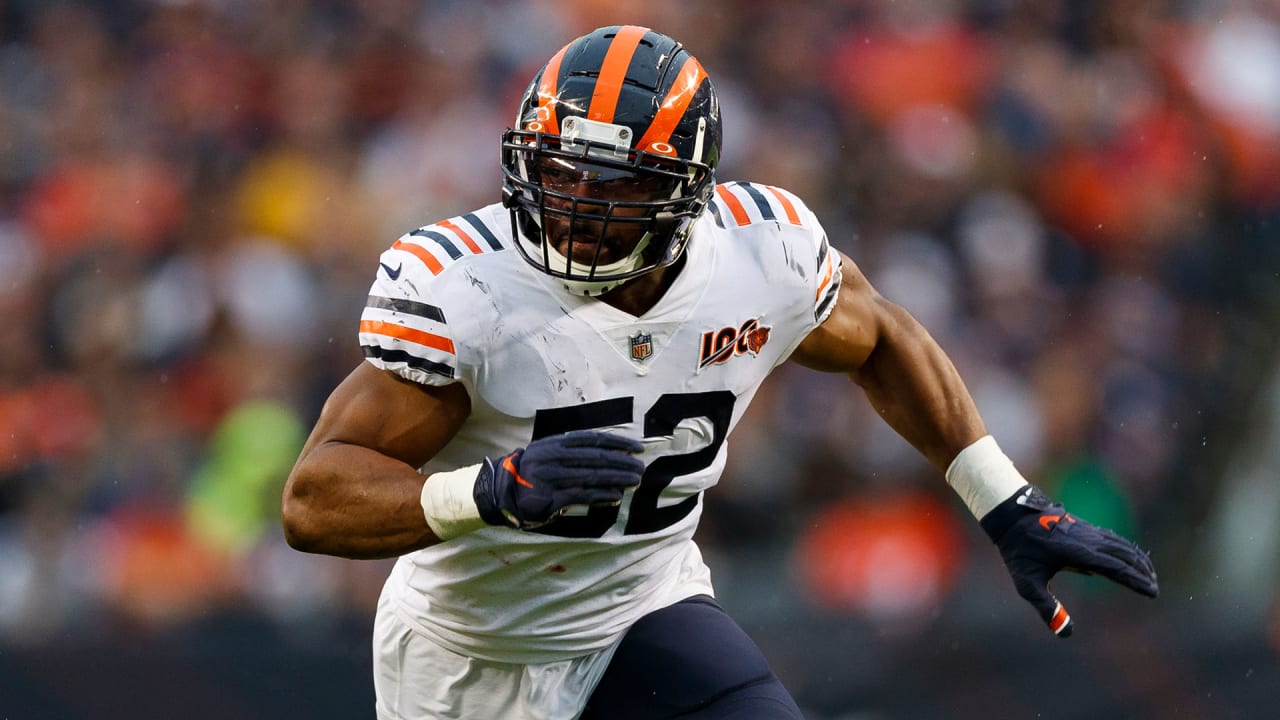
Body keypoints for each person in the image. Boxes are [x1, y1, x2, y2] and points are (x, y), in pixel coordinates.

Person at [282, 25, 1158, 720]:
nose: (579, 211)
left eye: (617, 187)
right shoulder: (469, 290)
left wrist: (1001, 500)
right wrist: (488, 492)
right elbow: (314, 498)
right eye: (559, 174)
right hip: (470, 659)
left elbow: (882, 337)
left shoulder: (758, 255)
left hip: (643, 609)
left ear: (686, 194)